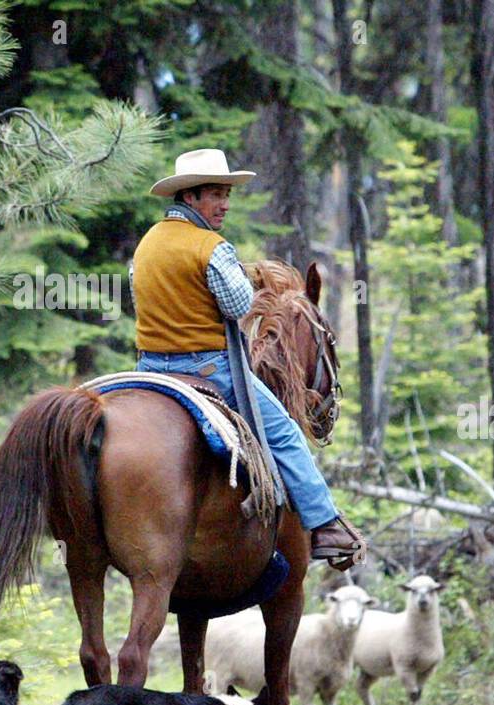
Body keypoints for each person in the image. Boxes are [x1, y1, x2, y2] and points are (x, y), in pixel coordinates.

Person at [130, 149, 362, 569]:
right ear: (190, 197)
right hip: (209, 370)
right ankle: (326, 524)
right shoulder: (211, 246)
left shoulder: (147, 244)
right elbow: (238, 306)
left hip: (148, 371)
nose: (224, 204)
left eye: (226, 195)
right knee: (287, 434)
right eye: (216, 195)